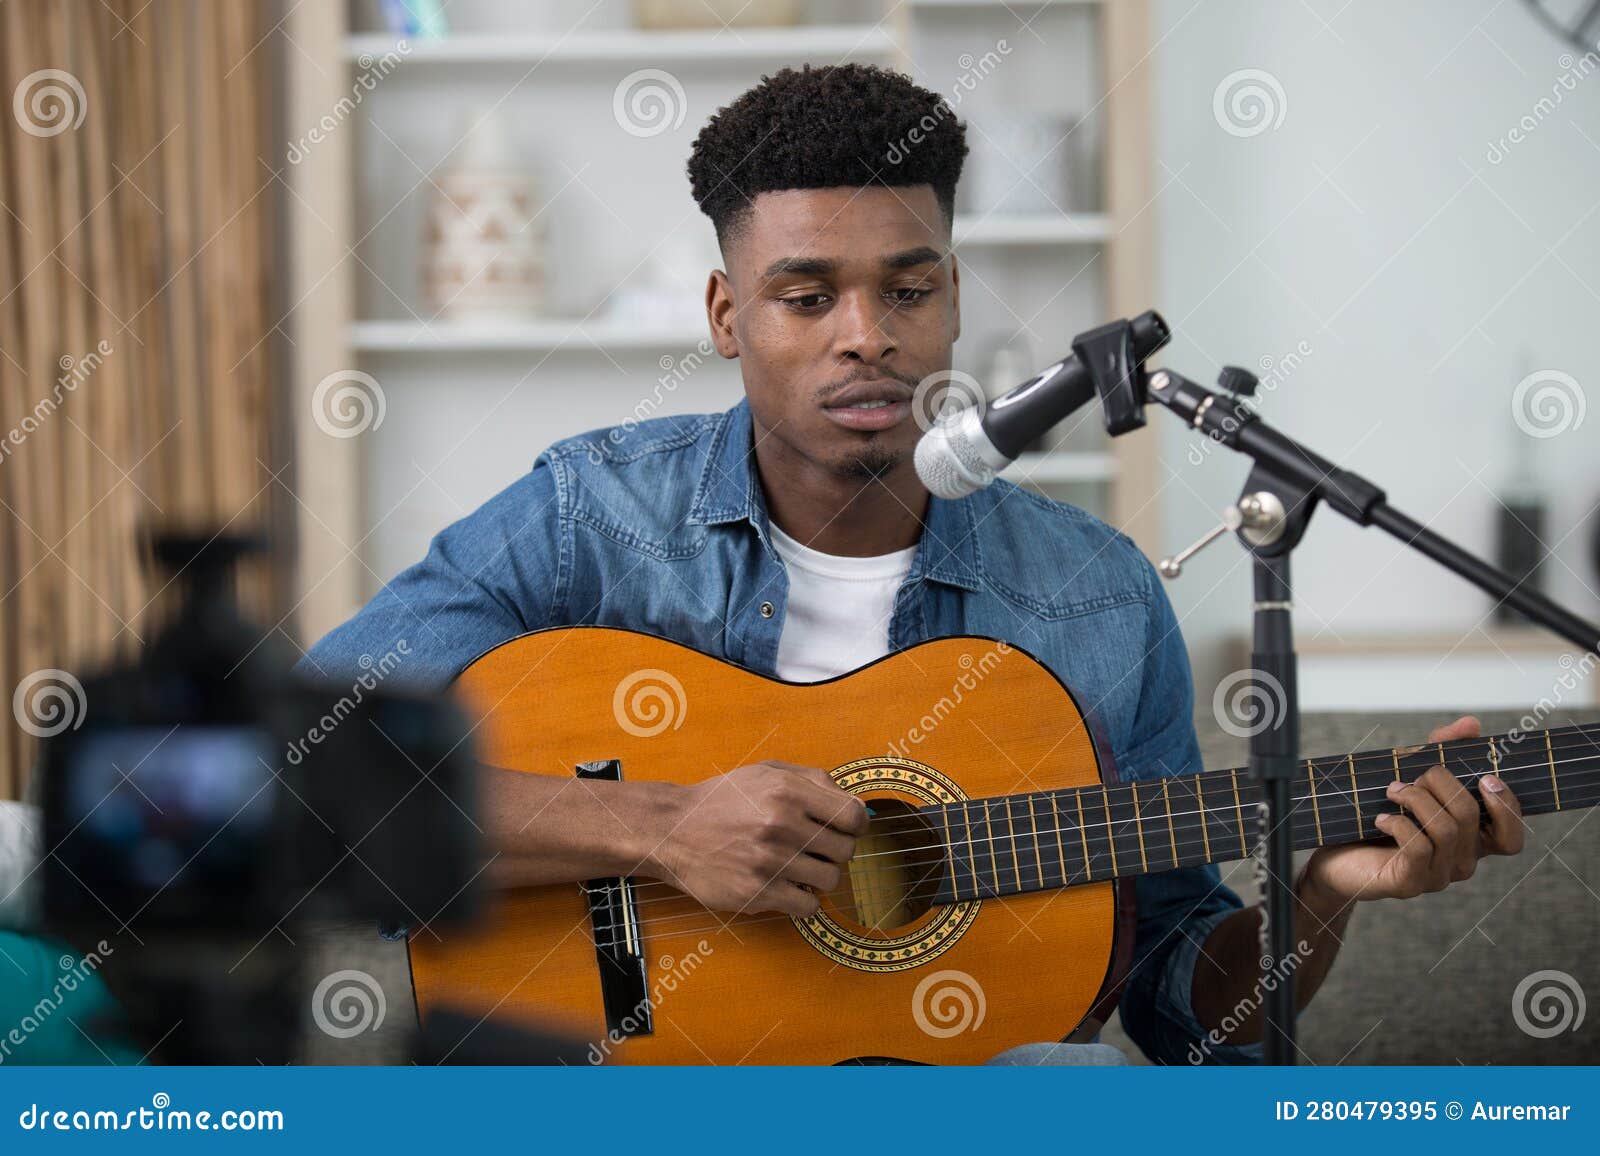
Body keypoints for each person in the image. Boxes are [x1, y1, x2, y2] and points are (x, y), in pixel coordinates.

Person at [297, 63, 1524, 1064]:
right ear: (727, 317)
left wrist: (1320, 895)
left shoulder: (1095, 594)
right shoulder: (588, 514)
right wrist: (660, 826)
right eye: (807, 295)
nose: (868, 336)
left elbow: (1185, 1016)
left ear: (951, 297)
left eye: (908, 287)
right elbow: (302, 777)